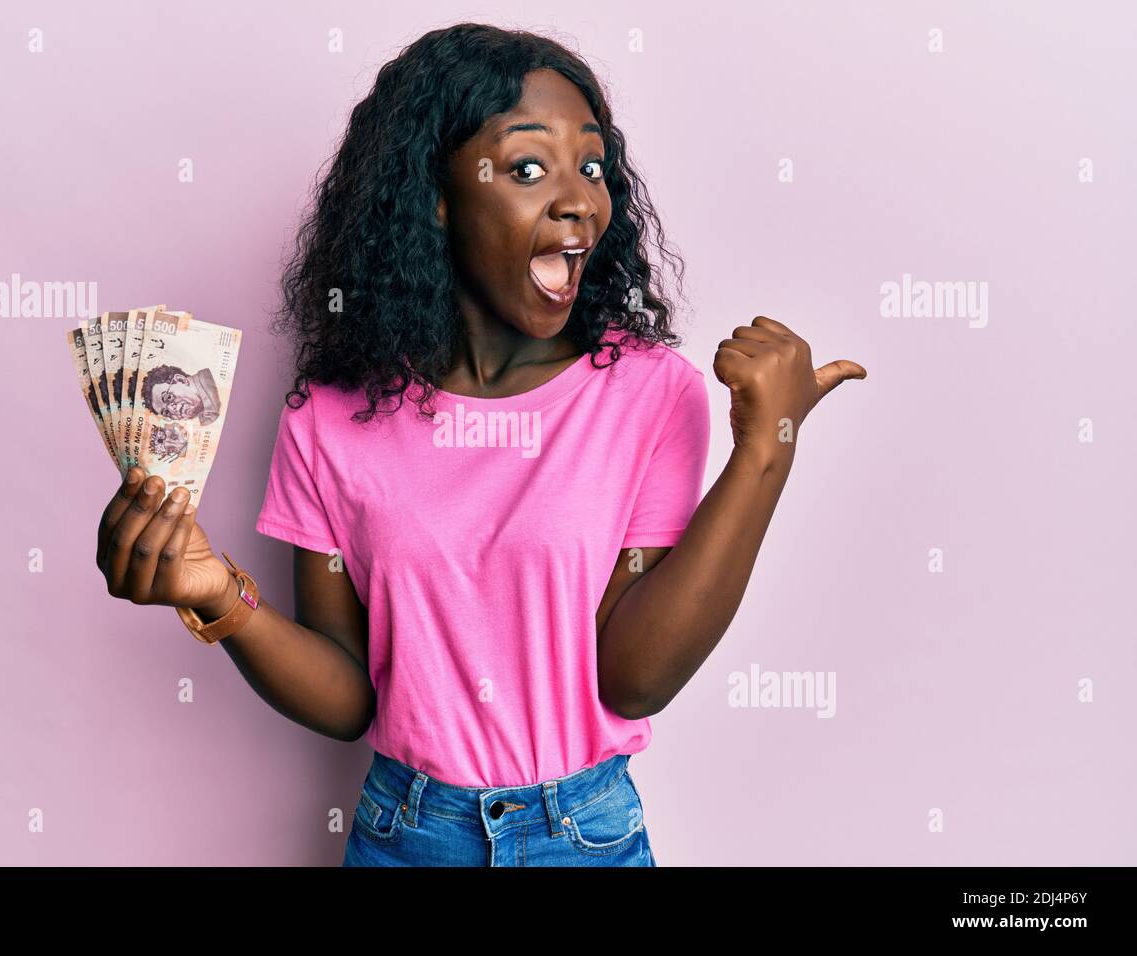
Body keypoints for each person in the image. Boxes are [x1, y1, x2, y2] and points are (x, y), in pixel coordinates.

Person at [95, 23, 866, 867]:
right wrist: (215, 595)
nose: (580, 200)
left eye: (593, 165)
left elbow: (635, 678)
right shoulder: (329, 417)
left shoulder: (652, 396)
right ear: (435, 195)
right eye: (529, 168)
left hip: (586, 836)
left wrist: (763, 453)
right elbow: (350, 694)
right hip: (405, 834)